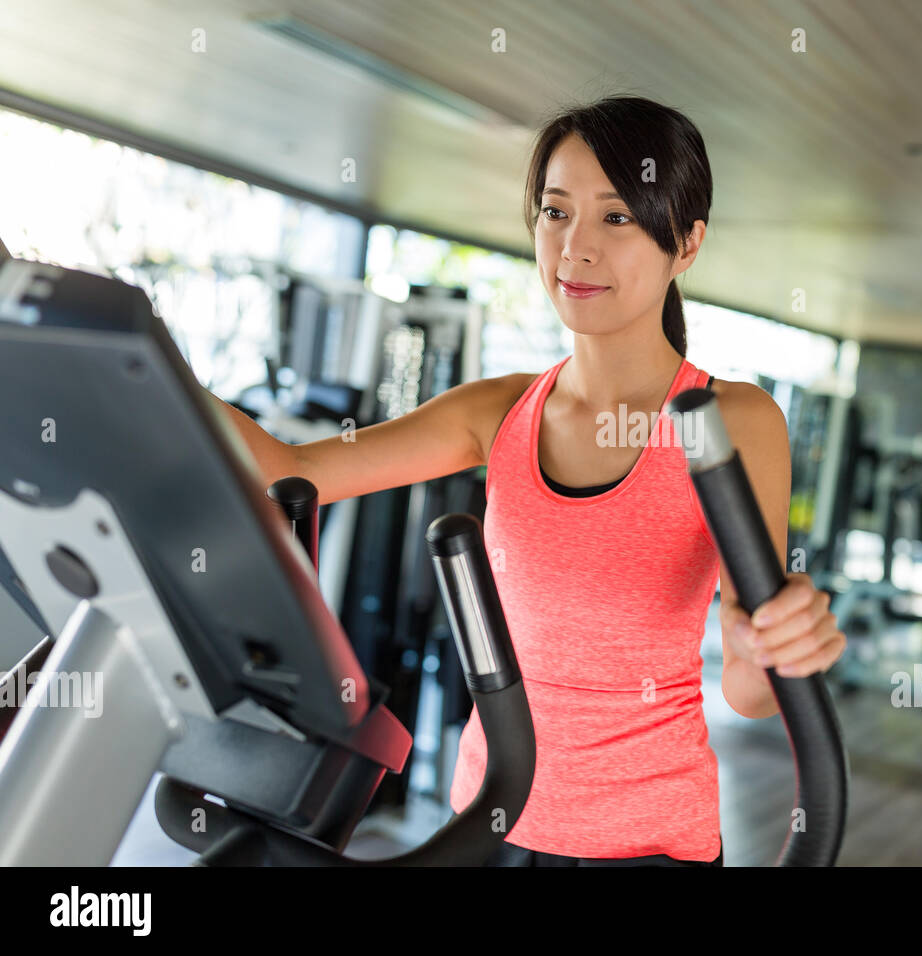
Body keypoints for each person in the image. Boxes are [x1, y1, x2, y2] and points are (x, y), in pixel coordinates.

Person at [208, 95, 846, 866]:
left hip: (648, 844)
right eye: (555, 212)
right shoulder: (500, 410)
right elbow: (295, 469)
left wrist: (774, 640)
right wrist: (132, 348)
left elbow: (746, 688)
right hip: (488, 825)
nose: (574, 249)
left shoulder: (732, 420)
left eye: (616, 218)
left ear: (686, 242)